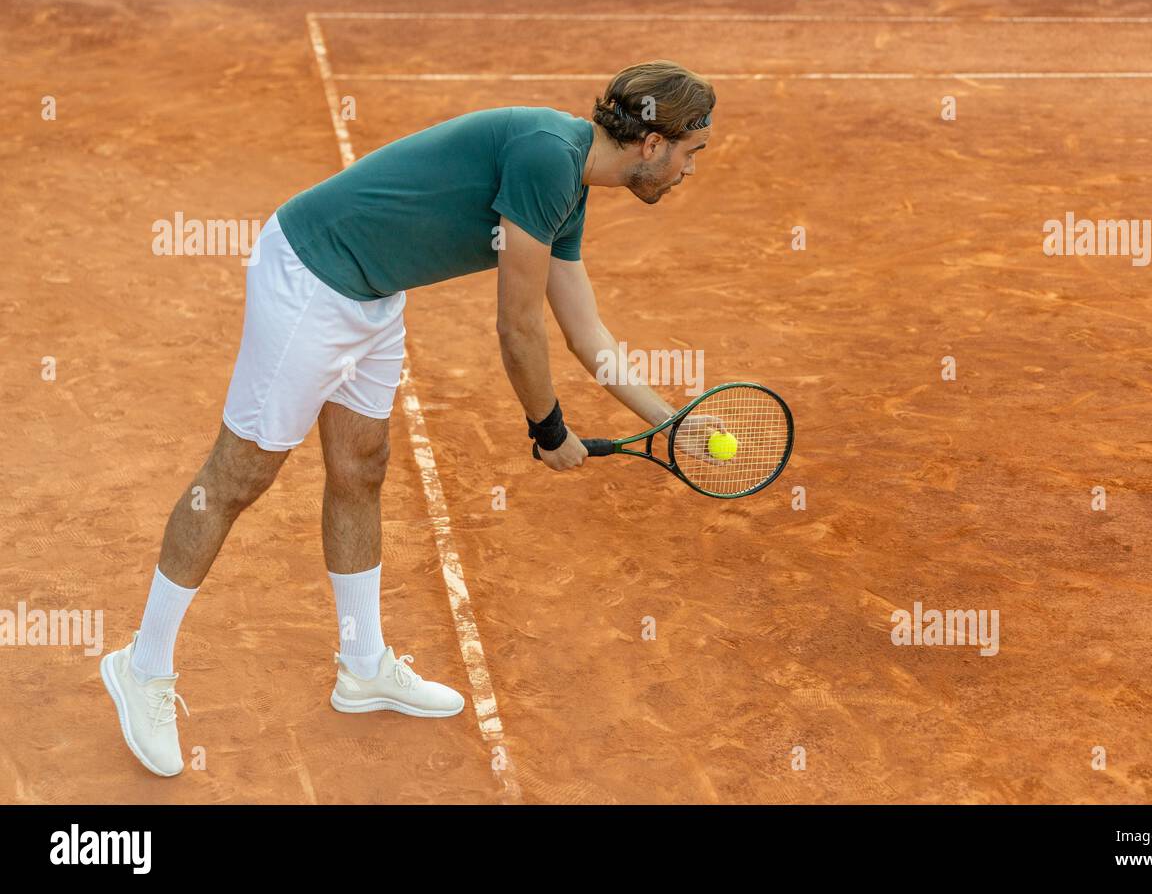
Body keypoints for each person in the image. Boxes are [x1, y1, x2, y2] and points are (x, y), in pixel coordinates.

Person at [100, 60, 716, 776]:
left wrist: (670, 419)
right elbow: (518, 327)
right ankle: (141, 665)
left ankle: (362, 668)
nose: (689, 170)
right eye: (691, 152)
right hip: (312, 277)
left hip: (373, 295)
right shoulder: (548, 157)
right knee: (238, 476)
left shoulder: (568, 183)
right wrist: (547, 428)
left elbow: (586, 333)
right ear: (652, 145)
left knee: (361, 466)